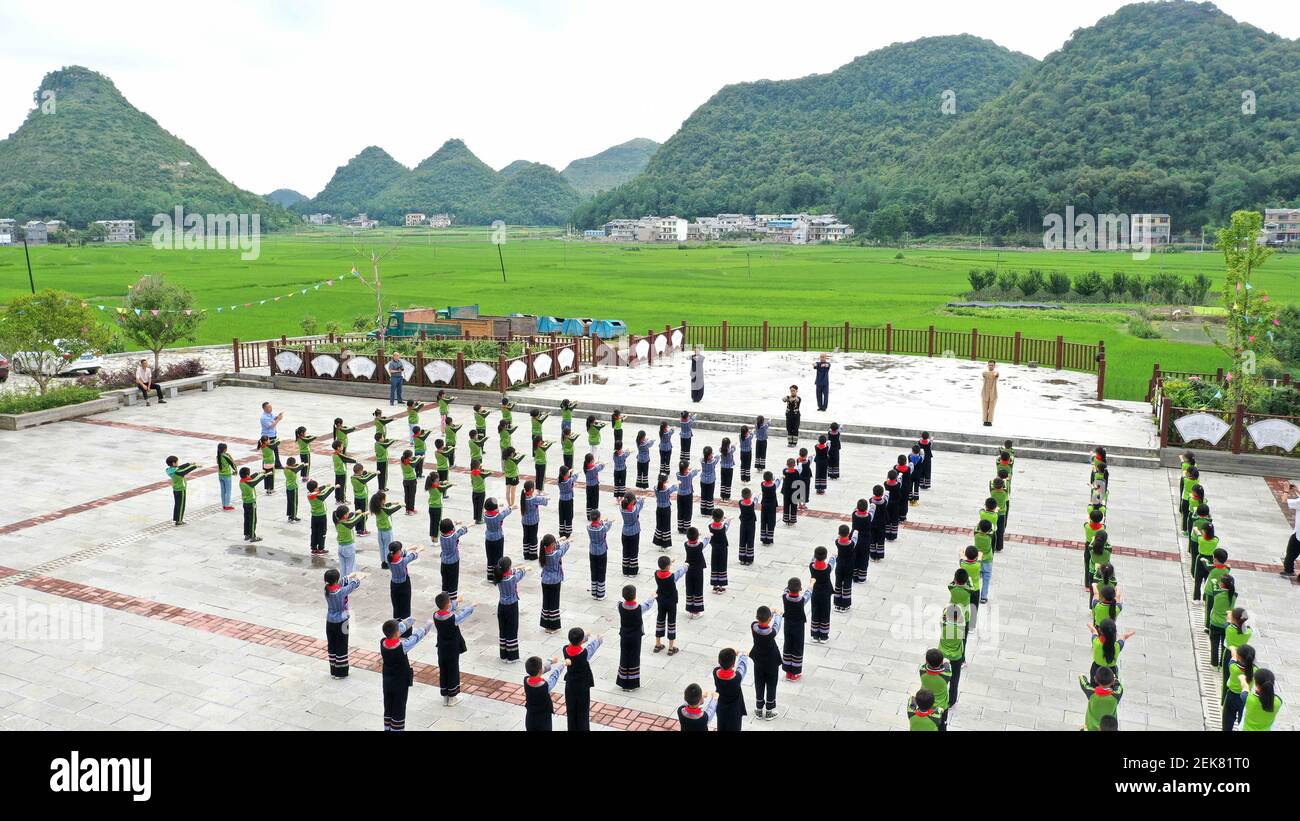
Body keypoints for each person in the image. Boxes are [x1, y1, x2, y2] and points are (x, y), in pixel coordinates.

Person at [380, 614, 433, 731]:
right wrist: (427, 626)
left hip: (387, 682)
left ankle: (387, 728)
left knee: (388, 706)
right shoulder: (402, 647)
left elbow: (397, 630)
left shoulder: (383, 642)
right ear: (397, 633)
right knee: (399, 707)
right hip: (400, 683)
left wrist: (410, 621)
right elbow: (415, 638)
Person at [433, 593, 474, 707]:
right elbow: (463, 614)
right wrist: (472, 606)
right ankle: (452, 697)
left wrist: (457, 601)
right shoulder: (452, 618)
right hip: (452, 648)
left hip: (441, 647)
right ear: (447, 604)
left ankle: (445, 695)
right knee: (453, 670)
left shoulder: (435, 615)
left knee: (443, 669)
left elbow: (445, 609)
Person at [561, 628, 603, 731]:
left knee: (571, 711)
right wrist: (598, 639)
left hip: (570, 685)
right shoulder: (584, 653)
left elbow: (573, 644)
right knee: (582, 712)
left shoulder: (565, 649)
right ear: (581, 641)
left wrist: (584, 637)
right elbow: (592, 647)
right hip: (582, 686)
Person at [617, 585, 656, 691]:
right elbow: (648, 605)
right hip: (635, 637)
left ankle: (623, 682)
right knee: (634, 658)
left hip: (624, 636)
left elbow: (620, 602)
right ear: (634, 596)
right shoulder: (639, 608)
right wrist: (652, 596)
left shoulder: (620, 606)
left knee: (624, 657)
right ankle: (631, 684)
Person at [323, 568, 359, 678]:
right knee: (342, 645)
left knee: (332, 644)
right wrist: (356, 579)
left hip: (330, 621)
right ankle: (341, 672)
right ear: (336, 580)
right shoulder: (341, 592)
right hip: (342, 621)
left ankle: (333, 670)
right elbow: (354, 584)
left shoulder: (326, 589)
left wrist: (347, 577)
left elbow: (340, 583)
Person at [750, 604, 783, 721]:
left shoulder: (753, 626)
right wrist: (777, 614)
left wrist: (771, 613)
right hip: (771, 663)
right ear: (769, 619)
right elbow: (776, 625)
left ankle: (759, 709)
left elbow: (761, 622)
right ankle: (769, 710)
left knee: (759, 684)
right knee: (771, 685)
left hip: (758, 662)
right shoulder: (771, 632)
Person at [653, 555, 687, 655]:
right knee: (671, 623)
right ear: (668, 567)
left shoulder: (656, 574)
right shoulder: (672, 577)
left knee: (660, 620)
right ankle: (671, 648)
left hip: (661, 601)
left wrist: (669, 562)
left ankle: (657, 644)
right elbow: (680, 572)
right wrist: (686, 566)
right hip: (671, 602)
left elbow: (661, 569)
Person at [522, 656, 564, 731]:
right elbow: (554, 677)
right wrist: (563, 665)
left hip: (530, 719)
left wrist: (550, 662)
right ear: (540, 670)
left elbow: (539, 670)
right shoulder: (545, 686)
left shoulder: (526, 680)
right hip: (543, 721)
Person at [539, 534, 571, 632]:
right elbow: (563, 549)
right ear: (551, 544)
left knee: (546, 602)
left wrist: (558, 541)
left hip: (545, 580)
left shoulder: (543, 551)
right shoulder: (555, 555)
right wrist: (567, 542)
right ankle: (553, 626)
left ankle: (546, 624)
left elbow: (556, 547)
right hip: (554, 581)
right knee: (554, 603)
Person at [781, 578, 810, 681]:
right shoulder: (801, 600)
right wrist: (811, 583)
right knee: (797, 647)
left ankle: (788, 671)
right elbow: (808, 593)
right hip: (798, 627)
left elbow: (785, 590)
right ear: (800, 588)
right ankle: (795, 673)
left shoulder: (784, 597)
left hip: (788, 625)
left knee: (788, 645)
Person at [1079, 667, 1123, 731]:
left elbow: (1084, 683)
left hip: (1091, 725)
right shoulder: (1116, 695)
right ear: (1112, 681)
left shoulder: (1091, 693)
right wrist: (1115, 679)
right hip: (1109, 727)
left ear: (1095, 679)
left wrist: (1082, 676)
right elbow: (1119, 686)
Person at [438, 518, 469, 604]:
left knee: (445, 580)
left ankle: (444, 598)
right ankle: (452, 601)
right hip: (453, 562)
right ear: (451, 529)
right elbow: (461, 531)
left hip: (444, 562)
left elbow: (449, 529)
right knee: (453, 581)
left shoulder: (441, 535)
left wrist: (455, 523)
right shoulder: (453, 536)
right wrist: (465, 527)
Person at [333, 505, 366, 577]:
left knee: (343, 567)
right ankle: (349, 584)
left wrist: (355, 512)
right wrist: (363, 514)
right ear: (344, 515)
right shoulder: (348, 524)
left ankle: (343, 581)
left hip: (340, 547)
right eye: (347, 513)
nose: (348, 514)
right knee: (350, 567)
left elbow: (350, 516)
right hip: (348, 547)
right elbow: (356, 520)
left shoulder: (337, 521)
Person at [387, 542, 418, 620]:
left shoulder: (389, 557)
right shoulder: (402, 561)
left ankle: (397, 621)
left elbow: (401, 553)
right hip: (404, 584)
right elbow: (412, 556)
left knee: (396, 604)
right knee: (405, 604)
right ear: (398, 551)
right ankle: (405, 623)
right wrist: (419, 549)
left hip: (394, 584)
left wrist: (410, 548)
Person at [482, 499, 511, 580]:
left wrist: (498, 507)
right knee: (498, 557)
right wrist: (510, 508)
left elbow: (493, 511)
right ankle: (497, 575)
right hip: (498, 538)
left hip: (488, 538)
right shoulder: (497, 516)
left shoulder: (485, 515)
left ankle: (490, 575)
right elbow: (505, 513)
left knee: (490, 557)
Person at [164, 456, 198, 526]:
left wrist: (189, 463)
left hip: (175, 489)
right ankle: (179, 521)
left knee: (177, 505)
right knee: (181, 505)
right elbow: (185, 471)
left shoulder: (169, 470)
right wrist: (195, 466)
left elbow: (180, 467)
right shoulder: (177, 472)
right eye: (177, 462)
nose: (178, 463)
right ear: (173, 463)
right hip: (181, 489)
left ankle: (177, 519)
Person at [586, 511, 613, 599]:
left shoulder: (589, 527)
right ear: (598, 518)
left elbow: (598, 524)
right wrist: (609, 521)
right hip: (601, 551)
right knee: (601, 571)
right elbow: (607, 526)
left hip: (592, 551)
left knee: (594, 571)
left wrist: (601, 521)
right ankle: (601, 594)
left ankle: (594, 592)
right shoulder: (601, 528)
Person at [238, 466, 267, 542]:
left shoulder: (242, 481)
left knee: (247, 519)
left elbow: (252, 477)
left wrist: (259, 472)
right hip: (251, 503)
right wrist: (266, 474)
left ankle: (246, 534)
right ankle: (252, 536)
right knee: (253, 520)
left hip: (245, 503)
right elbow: (257, 480)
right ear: (247, 475)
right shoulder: (250, 483)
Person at [306, 480, 334, 556]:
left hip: (314, 516)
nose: (318, 488)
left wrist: (325, 485)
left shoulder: (309, 494)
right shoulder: (319, 496)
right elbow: (326, 493)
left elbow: (319, 490)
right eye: (317, 487)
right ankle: (321, 548)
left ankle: (314, 548)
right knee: (322, 532)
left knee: (314, 532)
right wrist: (332, 487)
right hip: (321, 516)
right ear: (315, 489)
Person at [620, 493, 644, 577]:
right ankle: (632, 571)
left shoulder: (621, 508)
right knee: (634, 551)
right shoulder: (634, 510)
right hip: (634, 532)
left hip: (625, 532)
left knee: (626, 550)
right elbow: (640, 504)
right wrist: (641, 498)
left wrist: (634, 500)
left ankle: (625, 570)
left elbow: (632, 504)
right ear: (632, 501)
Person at [1281, 481, 1300, 583]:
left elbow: (1284, 501)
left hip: (1299, 534)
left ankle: (1288, 570)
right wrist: (1296, 490)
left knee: (1291, 553)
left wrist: (1286, 490)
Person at [259, 402, 283, 468]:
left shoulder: (270, 414)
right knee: (267, 452)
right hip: (267, 437)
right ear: (264, 408)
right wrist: (278, 419)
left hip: (273, 435)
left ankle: (278, 464)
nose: (271, 408)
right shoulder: (263, 417)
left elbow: (274, 419)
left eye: (271, 407)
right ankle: (265, 466)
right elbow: (271, 426)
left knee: (276, 451)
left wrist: (278, 416)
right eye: (269, 407)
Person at [216, 443, 236, 511]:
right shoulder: (226, 456)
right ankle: (227, 505)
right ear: (225, 449)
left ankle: (224, 505)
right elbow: (232, 463)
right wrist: (235, 470)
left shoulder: (218, 456)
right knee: (228, 491)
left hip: (220, 475)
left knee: (223, 490)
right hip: (227, 475)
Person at [283, 457, 301, 522]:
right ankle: (294, 516)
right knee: (294, 503)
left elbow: (293, 466)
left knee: (290, 502)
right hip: (293, 487)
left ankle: (290, 515)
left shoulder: (285, 469)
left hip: (288, 487)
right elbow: (299, 466)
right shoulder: (293, 471)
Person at [980, 361, 999, 426]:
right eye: (989, 365)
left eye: (992, 365)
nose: (991, 366)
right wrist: (992, 374)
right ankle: (985, 420)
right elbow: (984, 374)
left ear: (994, 366)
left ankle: (990, 421)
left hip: (993, 392)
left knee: (992, 407)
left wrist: (995, 373)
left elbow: (996, 374)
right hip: (985, 391)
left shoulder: (996, 373)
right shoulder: (984, 373)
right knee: (984, 407)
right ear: (987, 366)